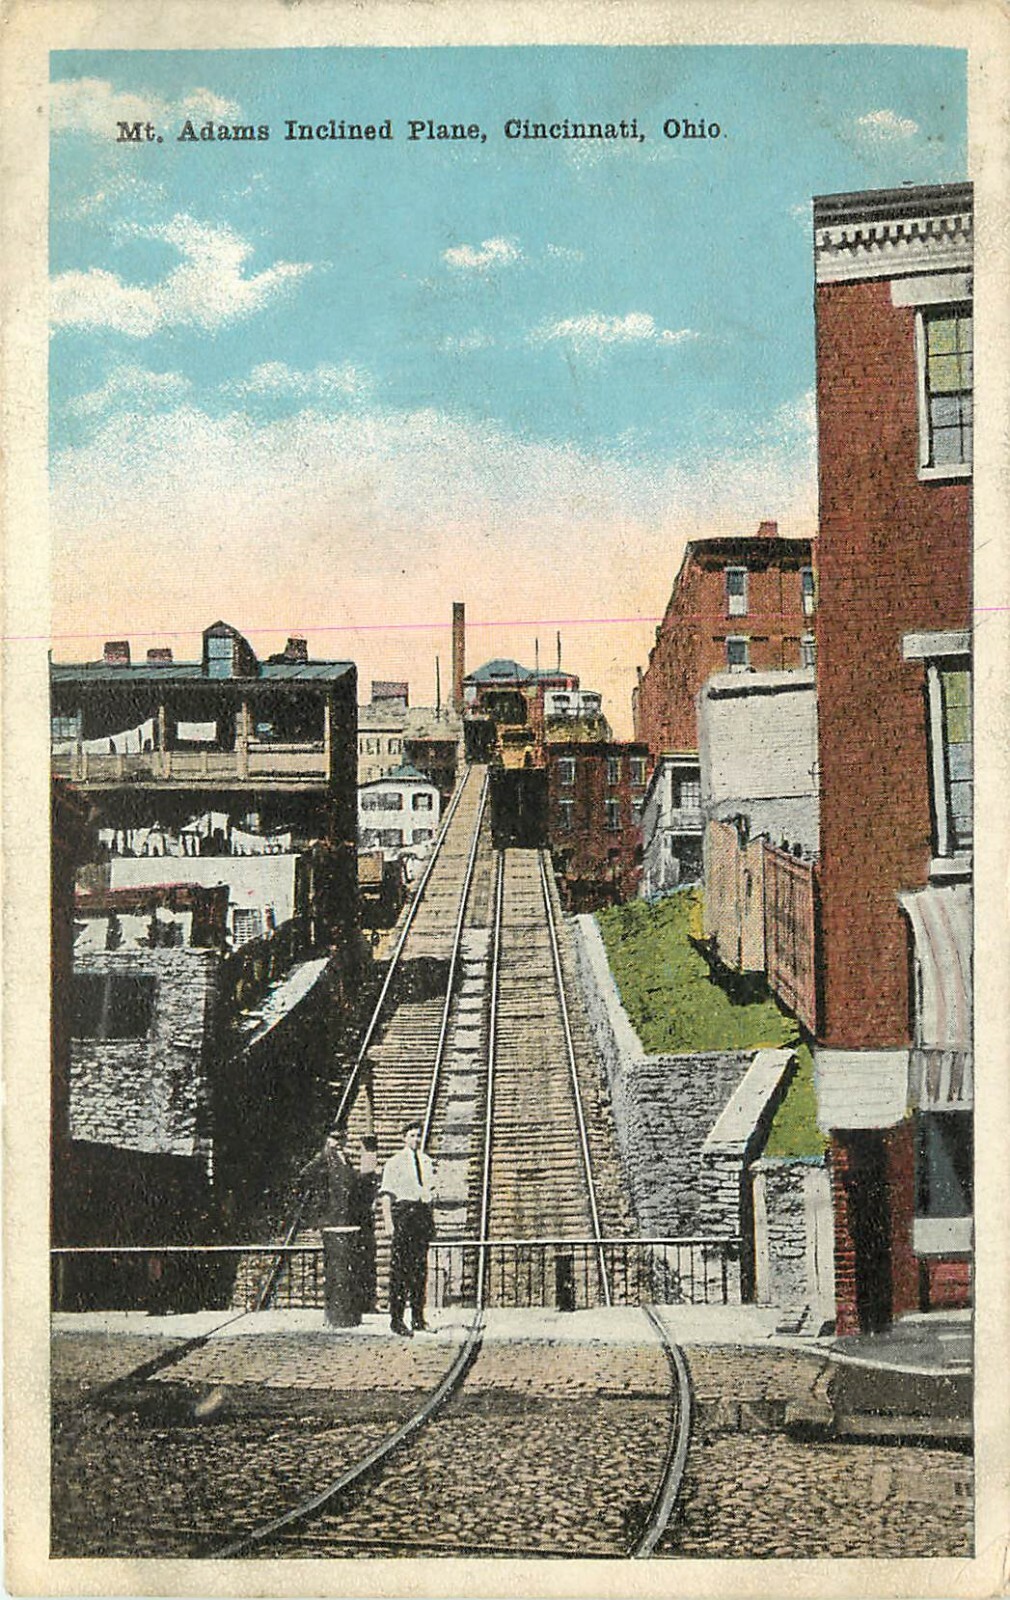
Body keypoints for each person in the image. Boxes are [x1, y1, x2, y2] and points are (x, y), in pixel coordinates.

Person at [299, 1127, 378, 1319]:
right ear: (327, 1139)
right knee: (335, 1265)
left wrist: (367, 1176)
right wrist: (321, 1201)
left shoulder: (345, 1158)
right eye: (334, 1138)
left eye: (342, 1138)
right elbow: (305, 1175)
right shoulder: (323, 1158)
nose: (338, 1142)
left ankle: (348, 1308)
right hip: (334, 1219)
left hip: (347, 1218)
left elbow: (350, 1183)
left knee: (347, 1264)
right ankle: (335, 1311)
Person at [380, 1120, 436, 1336]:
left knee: (419, 1270)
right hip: (404, 1215)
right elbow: (387, 1195)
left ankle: (418, 1318)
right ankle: (396, 1319)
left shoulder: (426, 1161)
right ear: (403, 1138)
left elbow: (430, 1189)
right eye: (412, 1135)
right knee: (400, 1271)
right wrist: (388, 1222)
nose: (415, 1139)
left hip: (422, 1216)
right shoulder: (394, 1163)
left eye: (418, 1136)